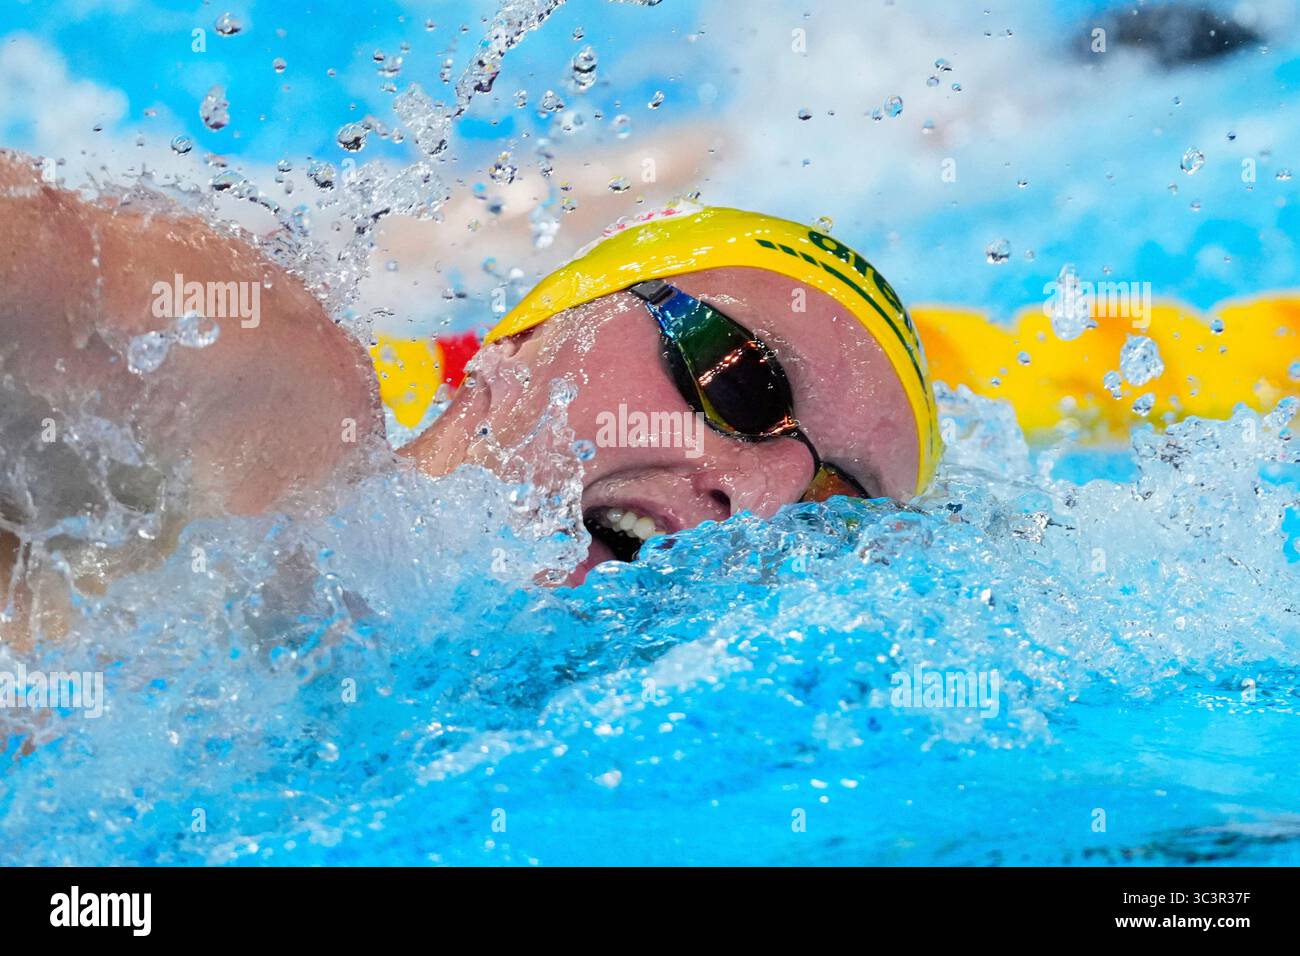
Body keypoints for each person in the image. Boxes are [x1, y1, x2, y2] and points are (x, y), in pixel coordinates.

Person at [0, 150, 938, 644]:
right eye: (742, 379)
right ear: (528, 337)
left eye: (829, 510)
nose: (760, 503)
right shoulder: (270, 398)